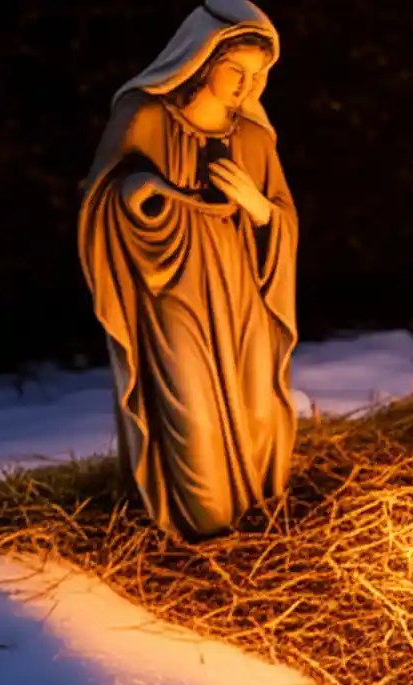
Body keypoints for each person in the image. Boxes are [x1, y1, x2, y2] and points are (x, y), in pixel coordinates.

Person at [78, 0, 299, 538]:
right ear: (201, 61)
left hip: (243, 294)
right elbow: (99, 202)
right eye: (236, 72)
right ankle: (201, 532)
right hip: (172, 294)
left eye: (257, 76)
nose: (247, 88)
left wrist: (259, 208)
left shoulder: (252, 138)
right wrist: (139, 193)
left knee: (261, 416)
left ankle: (257, 527)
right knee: (192, 427)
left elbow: (282, 220)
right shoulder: (143, 118)